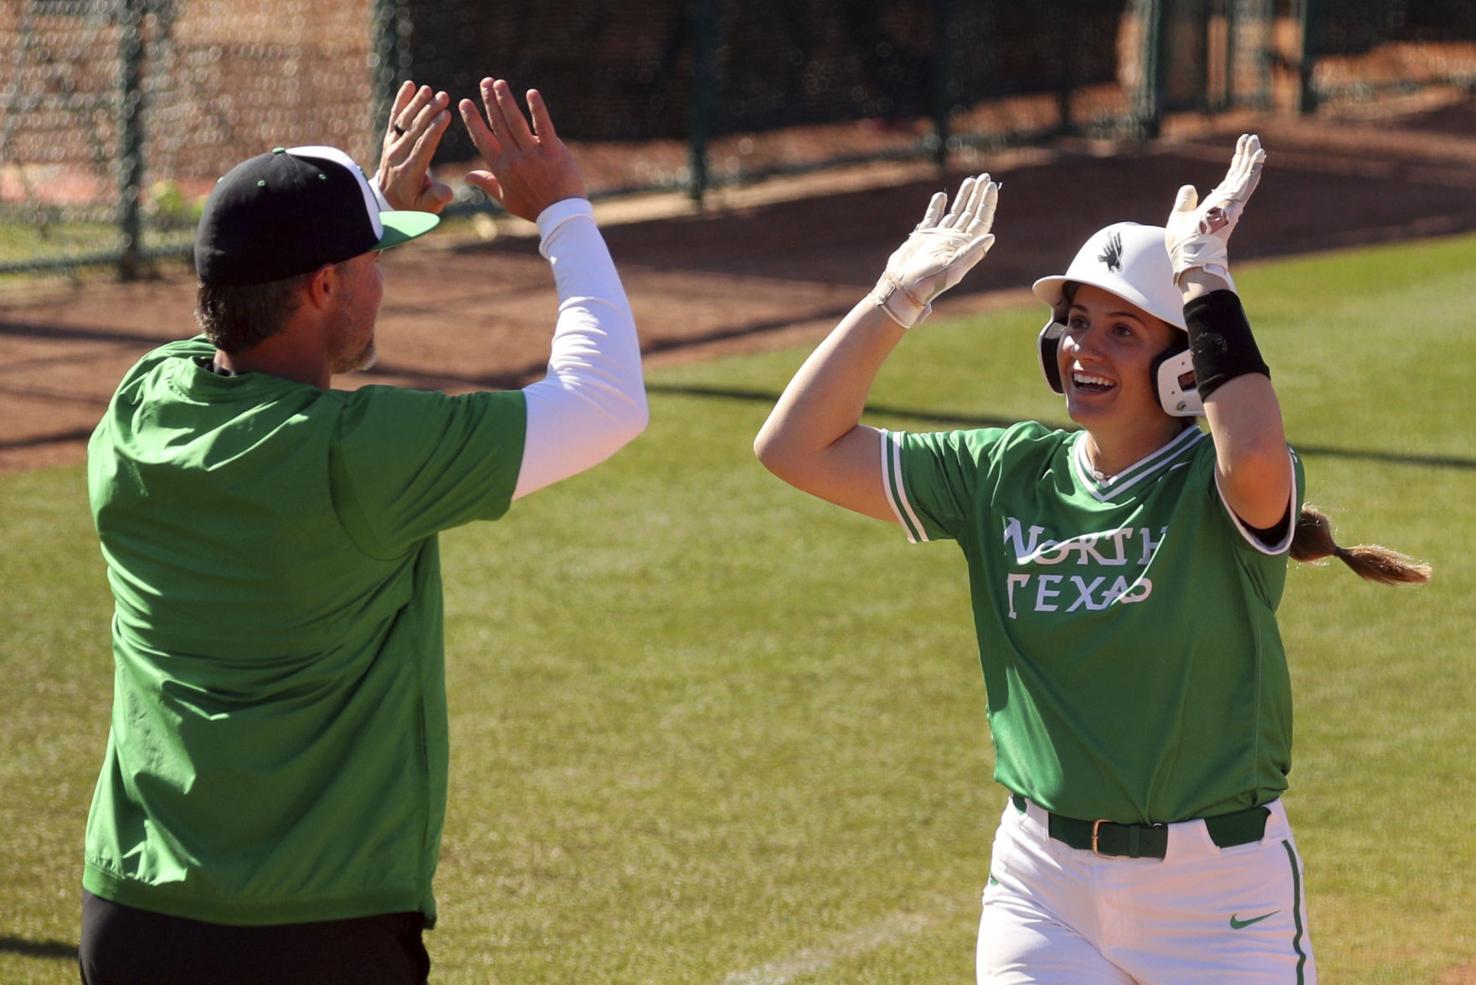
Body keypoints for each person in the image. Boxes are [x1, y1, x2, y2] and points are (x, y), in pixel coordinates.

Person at [754, 136, 1428, 984]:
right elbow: (795, 447)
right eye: (1074, 323)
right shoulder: (1003, 472)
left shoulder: (1216, 483)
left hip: (1218, 901)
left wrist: (1204, 277)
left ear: (1184, 365)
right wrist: (893, 300)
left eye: (1122, 330)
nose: (1084, 348)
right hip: (1043, 890)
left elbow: (1254, 455)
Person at [79, 76, 647, 985]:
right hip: (315, 935)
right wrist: (564, 214)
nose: (383, 276)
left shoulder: (140, 409)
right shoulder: (360, 457)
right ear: (322, 284)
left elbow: (265, 295)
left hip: (134, 918)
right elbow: (605, 401)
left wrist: (373, 209)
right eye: (370, 260)